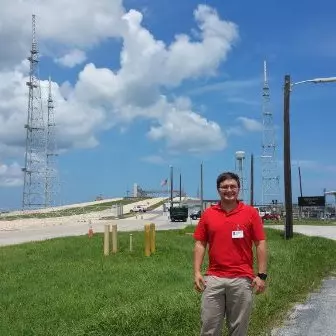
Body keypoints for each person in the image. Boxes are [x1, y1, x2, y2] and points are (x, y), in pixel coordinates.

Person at [193, 172, 267, 336]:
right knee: (209, 328)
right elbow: (200, 243)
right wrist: (197, 272)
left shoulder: (250, 213)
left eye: (233, 186)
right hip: (213, 279)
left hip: (242, 279)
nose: (229, 190)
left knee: (238, 329)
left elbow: (260, 243)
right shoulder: (208, 214)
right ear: (218, 190)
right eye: (224, 187)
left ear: (238, 189)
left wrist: (261, 275)